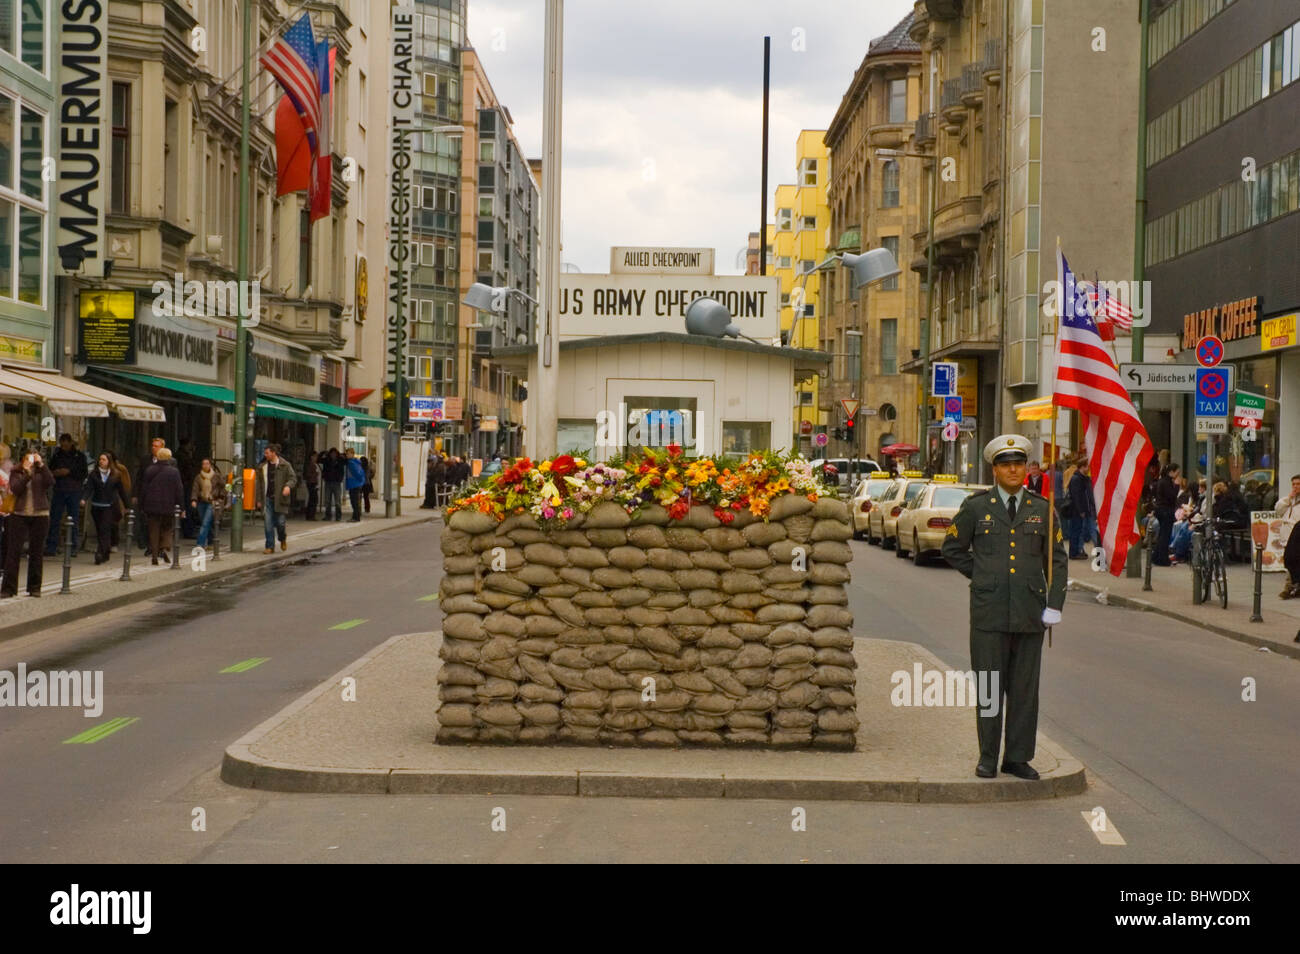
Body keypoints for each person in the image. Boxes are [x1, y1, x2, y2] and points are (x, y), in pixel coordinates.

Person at [942, 434, 1067, 780]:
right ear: (994, 470)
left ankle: (1017, 758)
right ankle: (987, 756)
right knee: (989, 686)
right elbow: (951, 547)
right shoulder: (976, 507)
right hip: (989, 612)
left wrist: (1054, 604)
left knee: (1025, 691)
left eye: (1019, 464)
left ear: (1027, 469)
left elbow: (1056, 561)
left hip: (1030, 612)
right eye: (1005, 464)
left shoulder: (1042, 509)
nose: (1013, 470)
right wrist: (982, 575)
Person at [2, 450, 53, 597]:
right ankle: (8, 589)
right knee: (13, 551)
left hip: (40, 514)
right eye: (28, 458)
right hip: (19, 514)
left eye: (33, 458)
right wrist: (27, 474)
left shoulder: (42, 471)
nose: (31, 460)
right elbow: (16, 489)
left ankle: (35, 587)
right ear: (23, 459)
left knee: (36, 551)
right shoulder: (16, 471)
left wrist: (42, 465)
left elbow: (50, 482)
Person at [45, 433, 88, 557]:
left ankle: (73, 547)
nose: (63, 445)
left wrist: (68, 472)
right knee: (55, 518)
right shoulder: (57, 455)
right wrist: (56, 473)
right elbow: (50, 470)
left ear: (70, 443)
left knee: (73, 519)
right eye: (61, 443)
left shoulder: (79, 456)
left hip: (74, 490)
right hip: (59, 489)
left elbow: (83, 473)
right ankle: (52, 546)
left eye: (65, 443)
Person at [83, 452, 130, 565]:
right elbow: (89, 488)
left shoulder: (116, 475)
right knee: (100, 530)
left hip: (109, 506)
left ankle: (100, 553)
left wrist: (127, 506)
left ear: (109, 462)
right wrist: (84, 499)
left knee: (105, 529)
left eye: (104, 459)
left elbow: (122, 491)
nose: (101, 461)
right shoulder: (94, 474)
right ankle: (105, 552)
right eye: (100, 459)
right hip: (97, 506)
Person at [142, 447, 185, 565]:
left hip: (151, 505)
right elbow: (179, 490)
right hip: (168, 505)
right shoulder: (174, 472)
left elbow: (144, 489)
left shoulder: (149, 470)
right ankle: (164, 547)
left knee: (153, 531)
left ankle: (154, 556)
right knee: (167, 528)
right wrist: (182, 507)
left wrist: (142, 505)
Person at [254, 443, 297, 553]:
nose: (265, 455)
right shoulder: (262, 467)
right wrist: (258, 499)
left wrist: (287, 486)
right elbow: (258, 485)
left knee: (280, 523)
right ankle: (269, 546)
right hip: (267, 499)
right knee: (268, 524)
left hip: (280, 499)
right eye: (265, 453)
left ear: (273, 453)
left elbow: (293, 478)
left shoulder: (285, 465)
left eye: (267, 453)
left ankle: (282, 538)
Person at [133, 437, 165, 553]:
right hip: (146, 496)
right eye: (153, 445)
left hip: (161, 497)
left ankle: (157, 546)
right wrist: (135, 494)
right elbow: (139, 477)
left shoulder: (168, 461)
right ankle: (149, 546)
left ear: (162, 448)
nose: (153, 448)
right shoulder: (146, 460)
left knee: (159, 523)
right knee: (146, 522)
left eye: (156, 446)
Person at [1066, 458, 1099, 559]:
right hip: (1080, 511)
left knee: (1082, 531)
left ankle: (1078, 551)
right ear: (1082, 466)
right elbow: (1077, 496)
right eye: (1087, 466)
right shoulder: (1077, 479)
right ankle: (1075, 553)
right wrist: (1081, 511)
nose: (1088, 468)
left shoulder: (1084, 478)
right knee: (1078, 531)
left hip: (1086, 510)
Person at [191, 458, 224, 548]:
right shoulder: (198, 477)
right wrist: (194, 500)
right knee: (205, 522)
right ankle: (211, 541)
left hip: (212, 502)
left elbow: (223, 488)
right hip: (202, 502)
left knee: (205, 522)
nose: (205, 465)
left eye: (207, 463)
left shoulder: (216, 476)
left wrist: (220, 497)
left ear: (210, 465)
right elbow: (195, 489)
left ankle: (200, 544)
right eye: (203, 464)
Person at [1152, 463, 1180, 567]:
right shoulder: (1167, 482)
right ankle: (1162, 559)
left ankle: (1156, 556)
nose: (1178, 475)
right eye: (1177, 472)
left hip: (1161, 510)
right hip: (1166, 510)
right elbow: (1172, 496)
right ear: (1171, 472)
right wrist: (1177, 486)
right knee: (1165, 535)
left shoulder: (1162, 481)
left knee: (1162, 534)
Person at [1278, 475, 1300, 599]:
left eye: (1298, 484)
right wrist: (1288, 498)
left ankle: (1288, 588)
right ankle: (1293, 587)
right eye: (1294, 484)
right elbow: (1278, 509)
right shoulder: (1289, 500)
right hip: (1287, 535)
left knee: (1291, 560)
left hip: (1296, 536)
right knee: (1290, 561)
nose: (1296, 487)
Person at [320, 448, 344, 522]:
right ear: (329, 454)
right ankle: (328, 516)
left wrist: (340, 479)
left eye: (335, 453)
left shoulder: (340, 461)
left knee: (337, 501)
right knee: (327, 500)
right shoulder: (327, 460)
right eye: (331, 453)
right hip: (328, 482)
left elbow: (346, 460)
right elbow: (318, 459)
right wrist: (323, 452)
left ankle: (338, 516)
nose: (333, 455)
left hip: (337, 483)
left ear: (337, 454)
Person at [344, 448, 366, 522]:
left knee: (354, 502)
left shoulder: (351, 463)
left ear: (352, 454)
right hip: (357, 484)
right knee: (356, 501)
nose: (347, 455)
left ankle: (356, 517)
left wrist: (359, 480)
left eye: (348, 454)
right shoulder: (357, 462)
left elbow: (356, 473)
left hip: (353, 484)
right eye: (346, 454)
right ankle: (355, 516)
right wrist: (361, 481)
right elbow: (362, 472)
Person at [303, 451, 321, 520]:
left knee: (313, 499)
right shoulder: (310, 464)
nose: (316, 458)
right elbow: (308, 474)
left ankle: (311, 514)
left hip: (315, 482)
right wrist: (315, 474)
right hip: (312, 483)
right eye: (315, 456)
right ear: (312, 457)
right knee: (313, 499)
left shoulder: (315, 464)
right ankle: (310, 515)